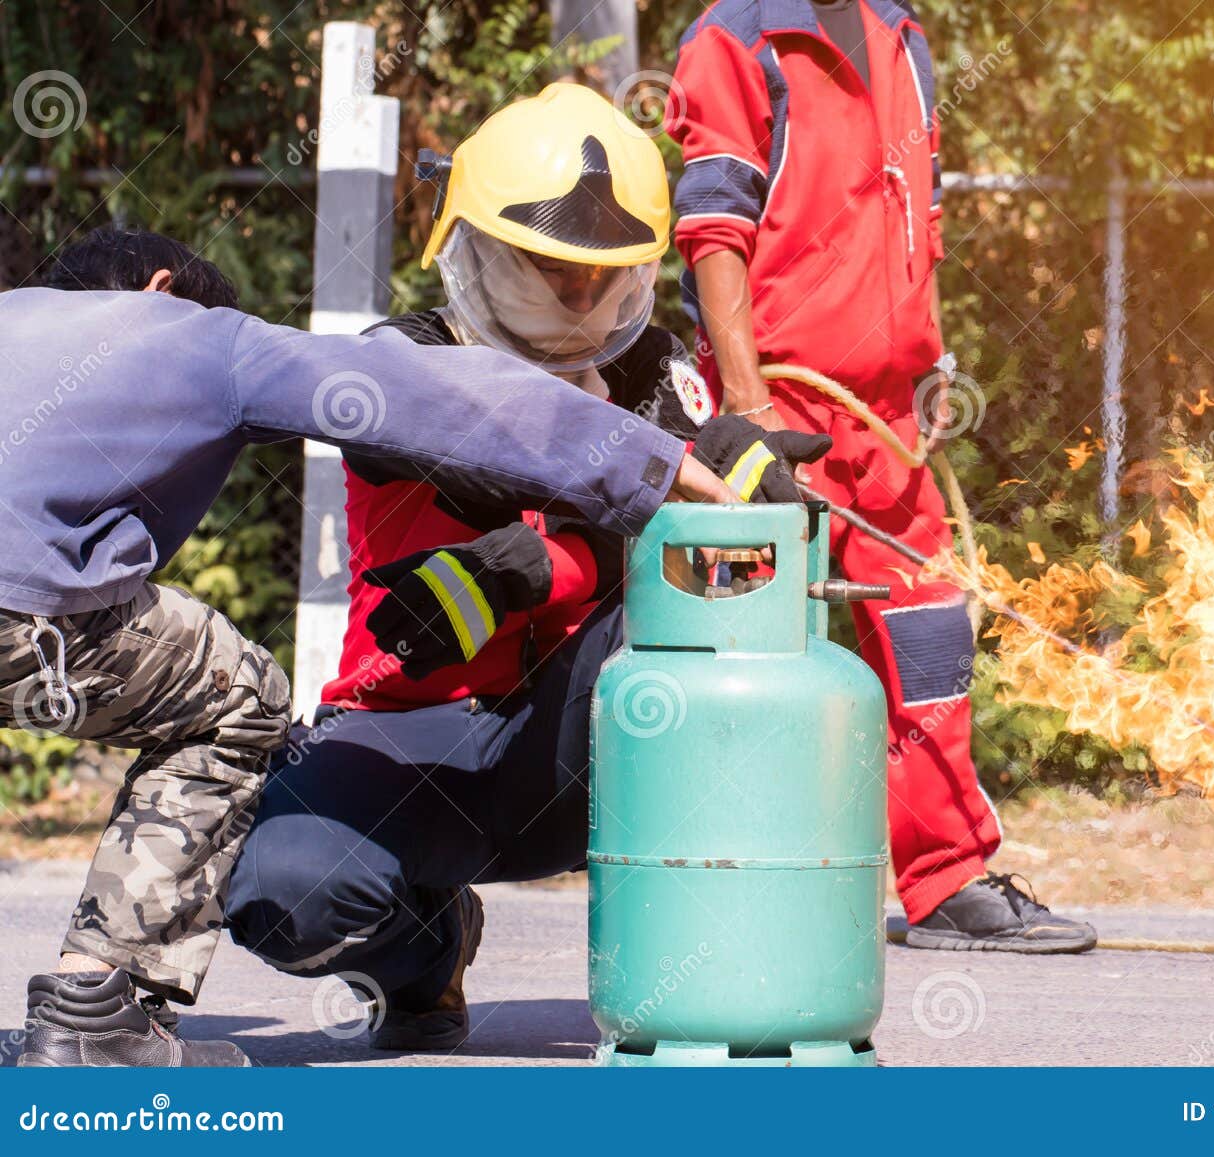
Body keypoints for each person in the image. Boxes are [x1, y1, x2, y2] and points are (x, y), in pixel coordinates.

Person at [5, 225, 737, 1067]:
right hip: (26, 606)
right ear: (161, 290)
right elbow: (425, 393)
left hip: (532, 735)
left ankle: (422, 950)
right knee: (238, 697)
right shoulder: (196, 333)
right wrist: (651, 463)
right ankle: (95, 1009)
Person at [222, 85, 831, 1052]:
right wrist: (639, 491)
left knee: (706, 617)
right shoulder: (397, 364)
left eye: (603, 276)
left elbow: (693, 551)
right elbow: (495, 443)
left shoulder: (652, 368)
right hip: (412, 730)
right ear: (472, 248)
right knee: (281, 892)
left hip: (588, 736)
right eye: (550, 268)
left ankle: (711, 986)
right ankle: (425, 950)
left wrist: (740, 483)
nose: (578, 299)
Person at [669, 0, 1096, 951]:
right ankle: (728, 884)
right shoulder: (735, 37)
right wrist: (747, 407)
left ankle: (948, 879)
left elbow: (918, 215)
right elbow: (714, 233)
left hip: (886, 416)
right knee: (748, 647)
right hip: (775, 406)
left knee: (930, 633)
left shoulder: (903, 39)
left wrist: (929, 363)